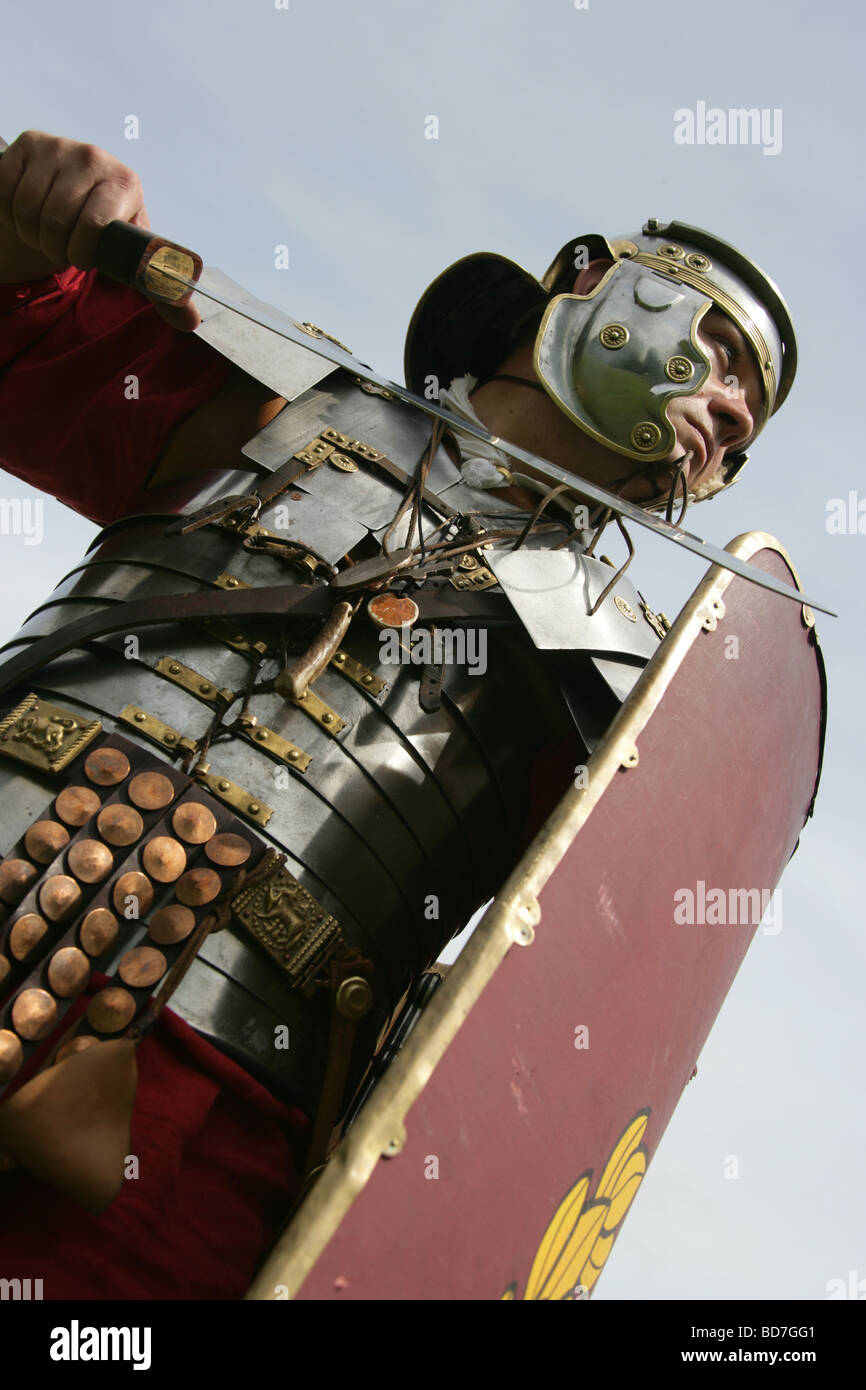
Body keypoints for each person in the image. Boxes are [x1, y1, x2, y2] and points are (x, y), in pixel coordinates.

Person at [0, 130, 797, 1300]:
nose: (724, 414)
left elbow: (578, 1000)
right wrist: (24, 228)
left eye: (746, 423)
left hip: (203, 1101)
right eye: (718, 355)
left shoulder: (618, 698)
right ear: (591, 286)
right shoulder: (273, 400)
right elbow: (23, 327)